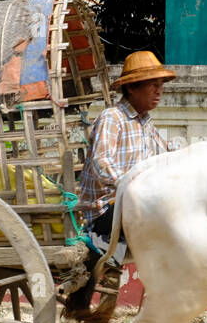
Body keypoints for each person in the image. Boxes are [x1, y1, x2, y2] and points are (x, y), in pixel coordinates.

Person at [76, 51, 177, 261]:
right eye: (153, 85)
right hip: (104, 211)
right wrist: (130, 187)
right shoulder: (113, 117)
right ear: (131, 87)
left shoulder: (145, 123)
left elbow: (165, 157)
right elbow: (101, 162)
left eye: (161, 85)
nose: (159, 91)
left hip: (131, 205)